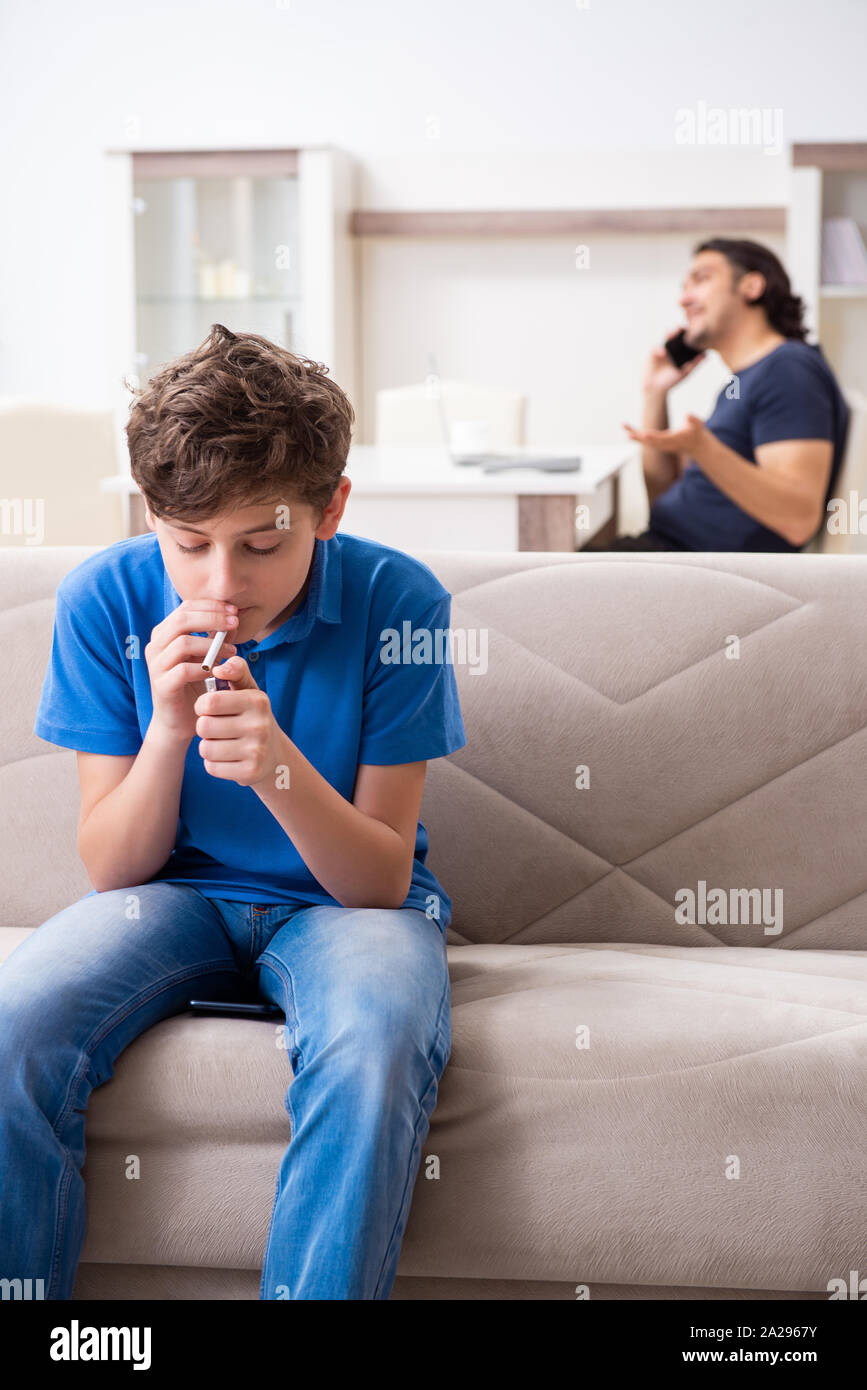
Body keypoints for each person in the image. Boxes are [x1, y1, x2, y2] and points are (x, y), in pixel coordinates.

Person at [0, 323, 467, 1300]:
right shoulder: (102, 599)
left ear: (330, 507)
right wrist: (168, 729)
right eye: (188, 544)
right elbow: (112, 868)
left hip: (348, 910)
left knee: (377, 1038)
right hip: (170, 896)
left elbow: (380, 879)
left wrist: (276, 768)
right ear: (150, 514)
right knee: (14, 1021)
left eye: (263, 542)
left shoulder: (400, 601)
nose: (223, 583)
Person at [584, 239, 850, 552]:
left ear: (751, 286)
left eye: (701, 279)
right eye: (683, 286)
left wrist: (703, 448)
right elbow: (663, 496)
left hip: (698, 573)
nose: (684, 299)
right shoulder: (746, 380)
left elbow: (798, 519)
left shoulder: (788, 370)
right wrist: (656, 392)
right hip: (669, 553)